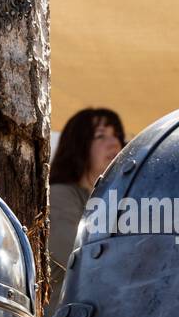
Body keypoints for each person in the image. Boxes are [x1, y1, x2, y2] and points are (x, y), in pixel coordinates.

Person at [48, 108, 125, 305]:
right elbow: (82, 259)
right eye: (101, 136)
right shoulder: (58, 195)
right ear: (78, 146)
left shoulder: (117, 203)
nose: (115, 143)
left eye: (117, 135)